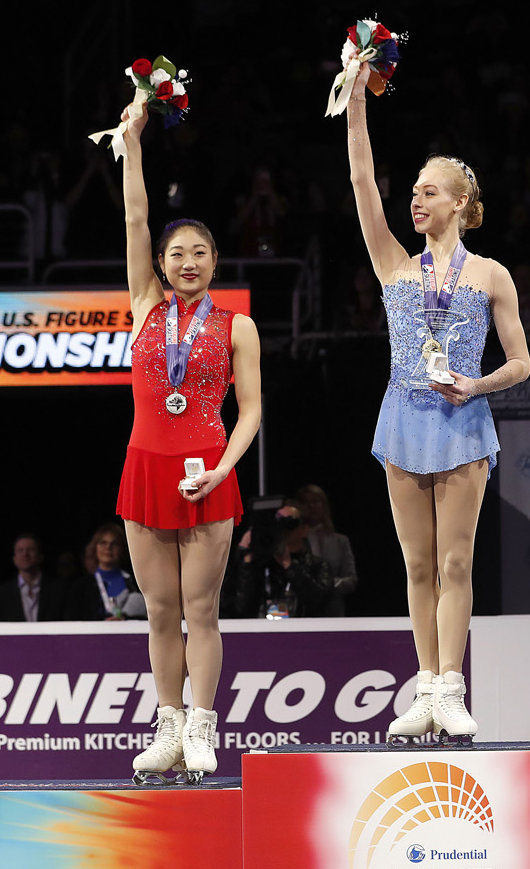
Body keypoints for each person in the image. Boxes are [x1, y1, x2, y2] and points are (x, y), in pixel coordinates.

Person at [344, 61, 530, 743]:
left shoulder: (490, 275)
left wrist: (475, 385)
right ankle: (423, 687)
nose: (415, 201)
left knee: (455, 563)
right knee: (415, 565)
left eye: (429, 192)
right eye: (414, 192)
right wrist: (357, 99)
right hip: (401, 418)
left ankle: (451, 685)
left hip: (460, 421)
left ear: (458, 202)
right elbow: (363, 180)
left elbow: (520, 362)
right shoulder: (394, 263)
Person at [115, 95, 262, 783]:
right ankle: (167, 727)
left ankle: (203, 728)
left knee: (202, 610)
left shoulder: (236, 326)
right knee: (159, 611)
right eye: (178, 253)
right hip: (145, 467)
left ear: (214, 260)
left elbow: (251, 414)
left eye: (200, 252)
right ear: (163, 264)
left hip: (209, 468)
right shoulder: (144, 307)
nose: (188, 261)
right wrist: (134, 140)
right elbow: (135, 216)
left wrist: (220, 470)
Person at [229, 500, 336, 619]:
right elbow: (241, 606)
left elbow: (319, 602)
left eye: (290, 523)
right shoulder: (261, 564)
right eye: (277, 522)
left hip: (303, 632)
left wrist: (289, 566)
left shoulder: (317, 565)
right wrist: (247, 560)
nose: (283, 530)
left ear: (305, 529)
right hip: (263, 632)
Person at [294, 483, 359, 616]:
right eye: (306, 502)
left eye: (315, 501)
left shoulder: (340, 541)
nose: (311, 507)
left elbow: (351, 579)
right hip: (301, 613)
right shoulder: (294, 540)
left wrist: (324, 588)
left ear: (324, 505)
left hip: (332, 613)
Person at [69, 523, 147, 621]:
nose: (108, 547)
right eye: (103, 542)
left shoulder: (138, 582)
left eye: (114, 543)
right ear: (95, 548)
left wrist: (125, 619)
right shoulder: (80, 587)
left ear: (123, 549)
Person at [0, 533, 65, 622]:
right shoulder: (2, 594)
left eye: (31, 550)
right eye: (20, 551)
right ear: (14, 559)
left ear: (40, 556)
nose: (25, 554)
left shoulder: (58, 589)